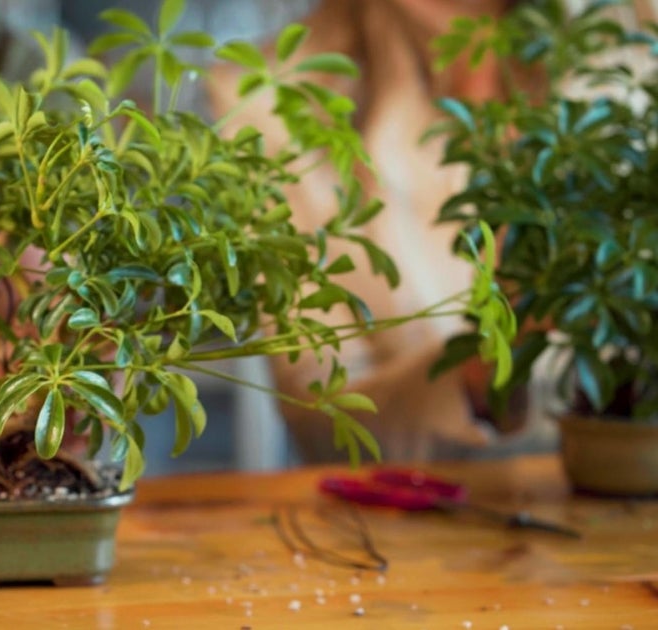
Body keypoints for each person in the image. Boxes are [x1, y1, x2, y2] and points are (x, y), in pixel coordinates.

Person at [207, 0, 656, 464]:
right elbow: (323, 422)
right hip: (428, 520)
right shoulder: (269, 94)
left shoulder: (634, 33)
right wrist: (490, 364)